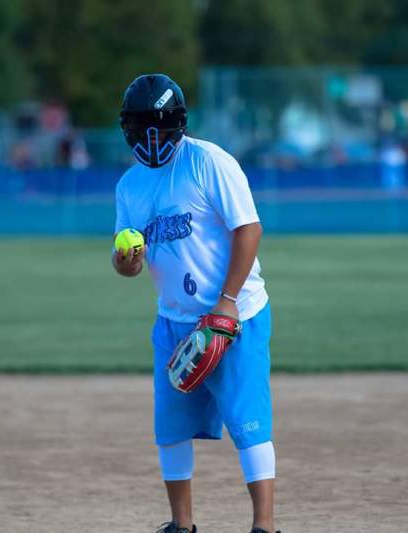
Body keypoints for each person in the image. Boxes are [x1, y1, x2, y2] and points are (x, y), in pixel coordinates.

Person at [111, 74, 278, 533]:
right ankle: (181, 525)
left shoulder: (208, 162)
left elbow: (249, 229)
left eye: (161, 126)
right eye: (144, 126)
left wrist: (226, 303)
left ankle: (263, 526)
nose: (152, 137)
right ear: (128, 128)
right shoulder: (129, 187)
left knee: (248, 423)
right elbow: (129, 265)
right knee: (171, 428)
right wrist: (126, 261)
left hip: (235, 314)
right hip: (174, 322)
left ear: (179, 124)